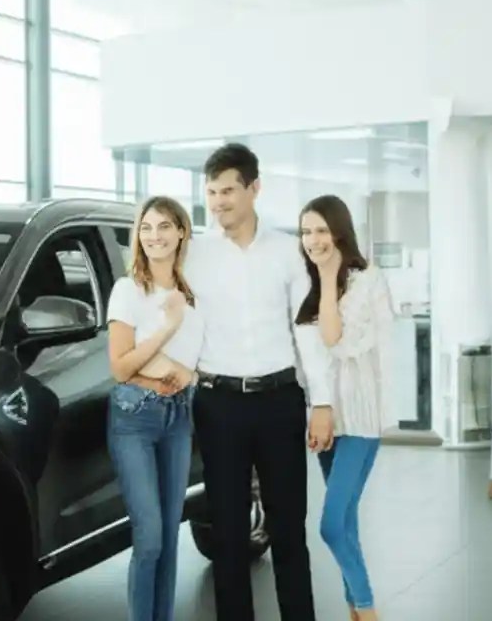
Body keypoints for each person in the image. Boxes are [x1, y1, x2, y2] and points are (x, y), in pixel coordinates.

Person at [182, 142, 328, 621]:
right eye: (211, 191)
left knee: (288, 530)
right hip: (217, 404)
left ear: (254, 189)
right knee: (226, 534)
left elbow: (307, 331)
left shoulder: (288, 252)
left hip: (279, 401)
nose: (219, 201)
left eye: (228, 190)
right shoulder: (195, 255)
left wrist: (321, 402)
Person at [294, 194, 394, 621]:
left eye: (320, 230)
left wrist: (330, 272)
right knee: (346, 523)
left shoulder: (367, 280)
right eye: (305, 232)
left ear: (339, 231)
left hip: (360, 418)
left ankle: (368, 610)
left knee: (331, 524)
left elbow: (336, 339)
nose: (312, 240)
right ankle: (355, 611)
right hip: (326, 416)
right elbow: (307, 357)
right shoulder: (308, 282)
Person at [105, 196, 205, 621]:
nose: (154, 236)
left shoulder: (192, 293)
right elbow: (121, 366)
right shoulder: (129, 290)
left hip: (179, 417)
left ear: (181, 232)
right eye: (146, 228)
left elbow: (197, 366)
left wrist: (183, 372)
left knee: (168, 538)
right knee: (148, 540)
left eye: (164, 226)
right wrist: (167, 327)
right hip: (135, 418)